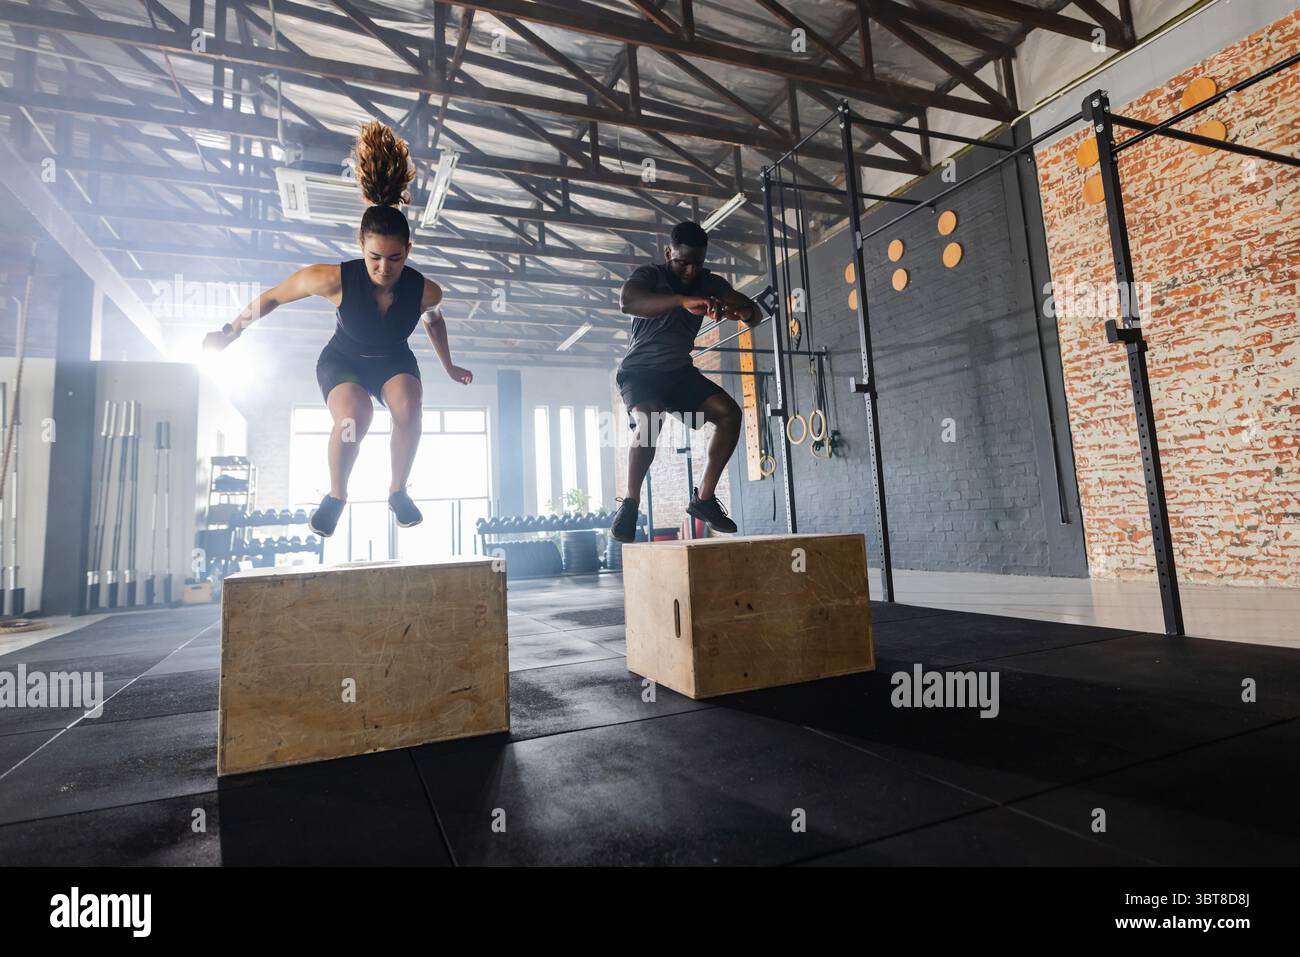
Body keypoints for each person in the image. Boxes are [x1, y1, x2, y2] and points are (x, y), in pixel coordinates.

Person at [203, 121, 473, 538]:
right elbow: (274, 296)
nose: (385, 269)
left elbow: (434, 321)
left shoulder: (426, 290)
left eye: (396, 259)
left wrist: (450, 365)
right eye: (375, 258)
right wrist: (229, 331)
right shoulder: (331, 278)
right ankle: (336, 495)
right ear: (360, 246)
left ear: (409, 251)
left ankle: (398, 491)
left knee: (409, 406)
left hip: (393, 360)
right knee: (355, 415)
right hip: (343, 361)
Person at [610, 221, 761, 544]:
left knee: (729, 414)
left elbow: (754, 313)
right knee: (650, 418)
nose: (690, 270)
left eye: (697, 263)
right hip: (640, 371)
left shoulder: (709, 282)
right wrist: (681, 301)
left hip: (679, 373)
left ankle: (704, 500)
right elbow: (628, 302)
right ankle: (631, 503)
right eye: (682, 262)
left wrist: (737, 310)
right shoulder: (650, 276)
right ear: (669, 253)